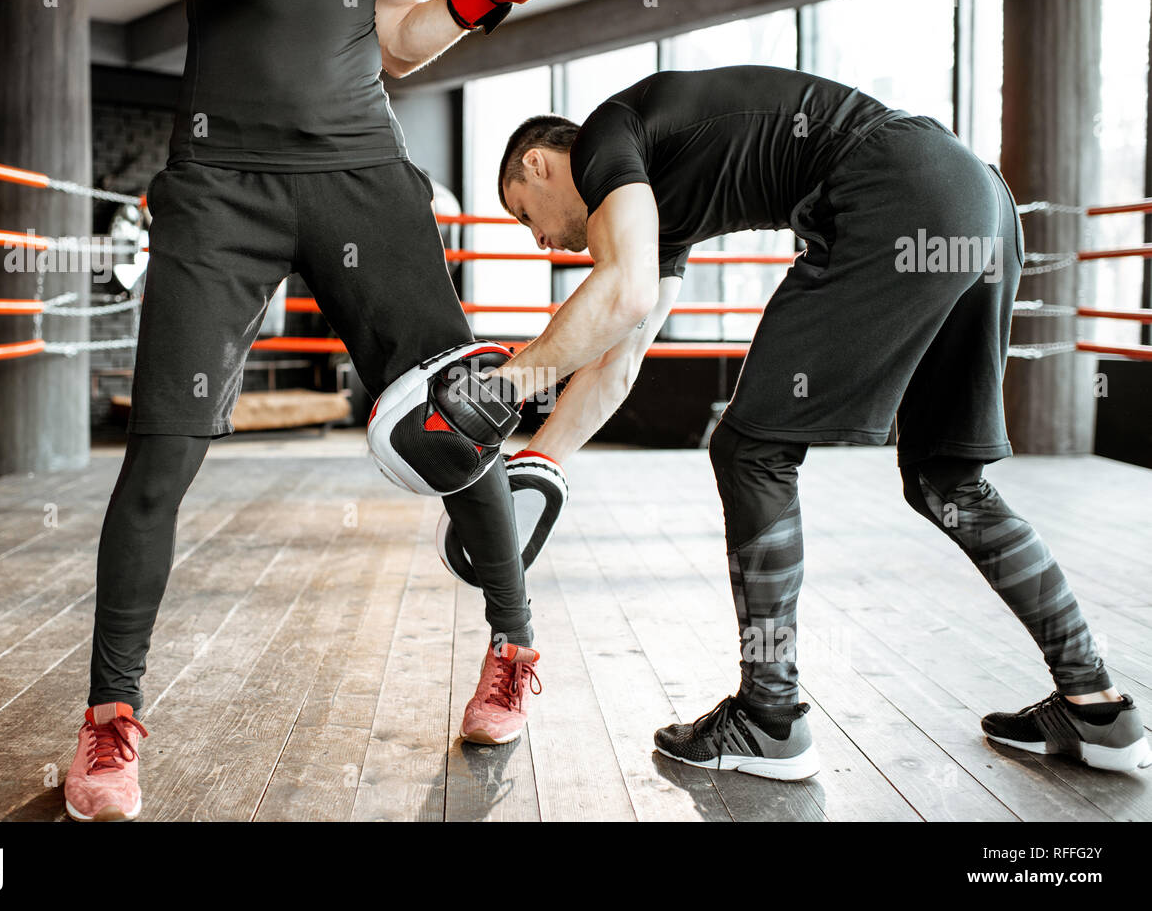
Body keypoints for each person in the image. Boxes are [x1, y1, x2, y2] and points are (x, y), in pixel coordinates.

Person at [469, 64, 1149, 781]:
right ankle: (1094, 701)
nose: (540, 242)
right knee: (948, 481)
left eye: (525, 215)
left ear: (539, 164)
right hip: (972, 196)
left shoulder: (611, 133)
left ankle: (770, 716)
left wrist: (498, 389)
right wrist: (538, 465)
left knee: (749, 451)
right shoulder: (651, 208)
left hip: (895, 185)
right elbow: (621, 354)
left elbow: (622, 292)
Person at [65, 0, 579, 822]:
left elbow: (396, 40)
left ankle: (513, 647)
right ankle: (109, 717)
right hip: (220, 180)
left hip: (360, 167)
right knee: (161, 450)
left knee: (460, 418)